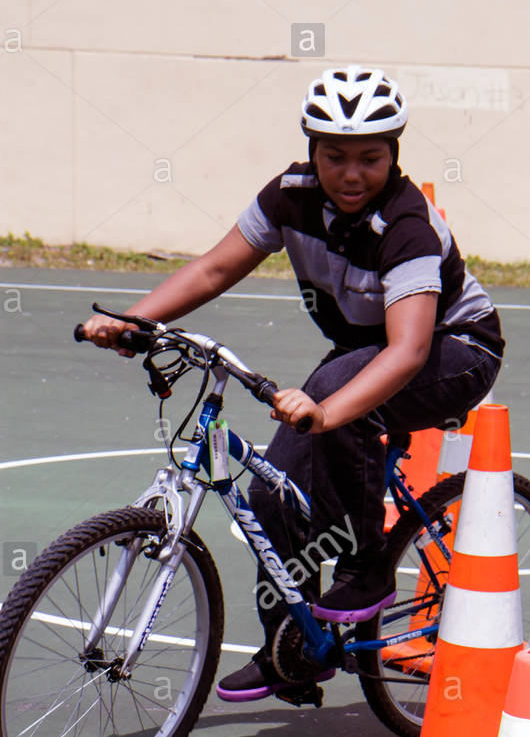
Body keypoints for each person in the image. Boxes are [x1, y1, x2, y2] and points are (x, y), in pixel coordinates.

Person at [83, 65, 504, 702]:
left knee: (339, 389)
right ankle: (293, 651)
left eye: (371, 157)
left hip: (456, 351)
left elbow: (410, 350)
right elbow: (216, 266)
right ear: (312, 150)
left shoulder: (407, 225)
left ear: (395, 154)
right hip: (366, 354)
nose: (353, 173)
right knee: (273, 495)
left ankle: (366, 571)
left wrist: (330, 413)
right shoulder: (289, 195)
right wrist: (134, 322)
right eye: (335, 156)